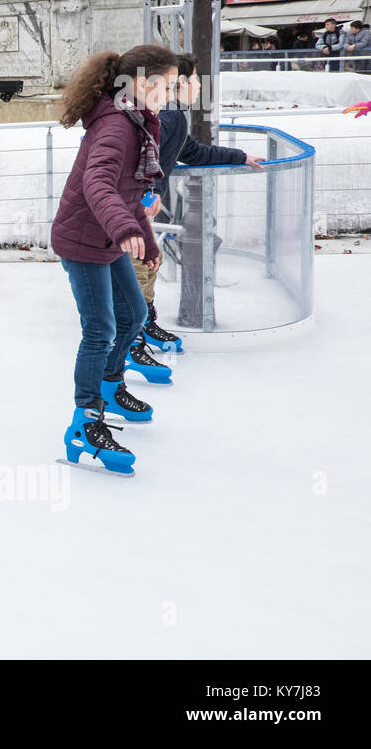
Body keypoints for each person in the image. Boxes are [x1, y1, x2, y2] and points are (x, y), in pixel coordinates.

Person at [51, 44, 180, 476]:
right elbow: (99, 184)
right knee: (101, 328)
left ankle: (109, 384)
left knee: (135, 314)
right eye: (166, 85)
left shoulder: (139, 122)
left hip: (109, 236)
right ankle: (85, 423)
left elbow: (133, 195)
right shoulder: (116, 127)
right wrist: (126, 230)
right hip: (85, 240)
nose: (172, 93)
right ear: (141, 85)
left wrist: (144, 234)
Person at [134, 53, 263, 357]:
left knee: (148, 265)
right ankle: (132, 339)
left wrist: (239, 157)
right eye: (194, 80)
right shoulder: (169, 114)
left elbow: (190, 151)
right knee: (139, 268)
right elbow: (138, 154)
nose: (198, 87)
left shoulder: (173, 114)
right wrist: (146, 192)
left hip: (140, 206)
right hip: (133, 207)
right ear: (179, 82)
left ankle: (144, 324)